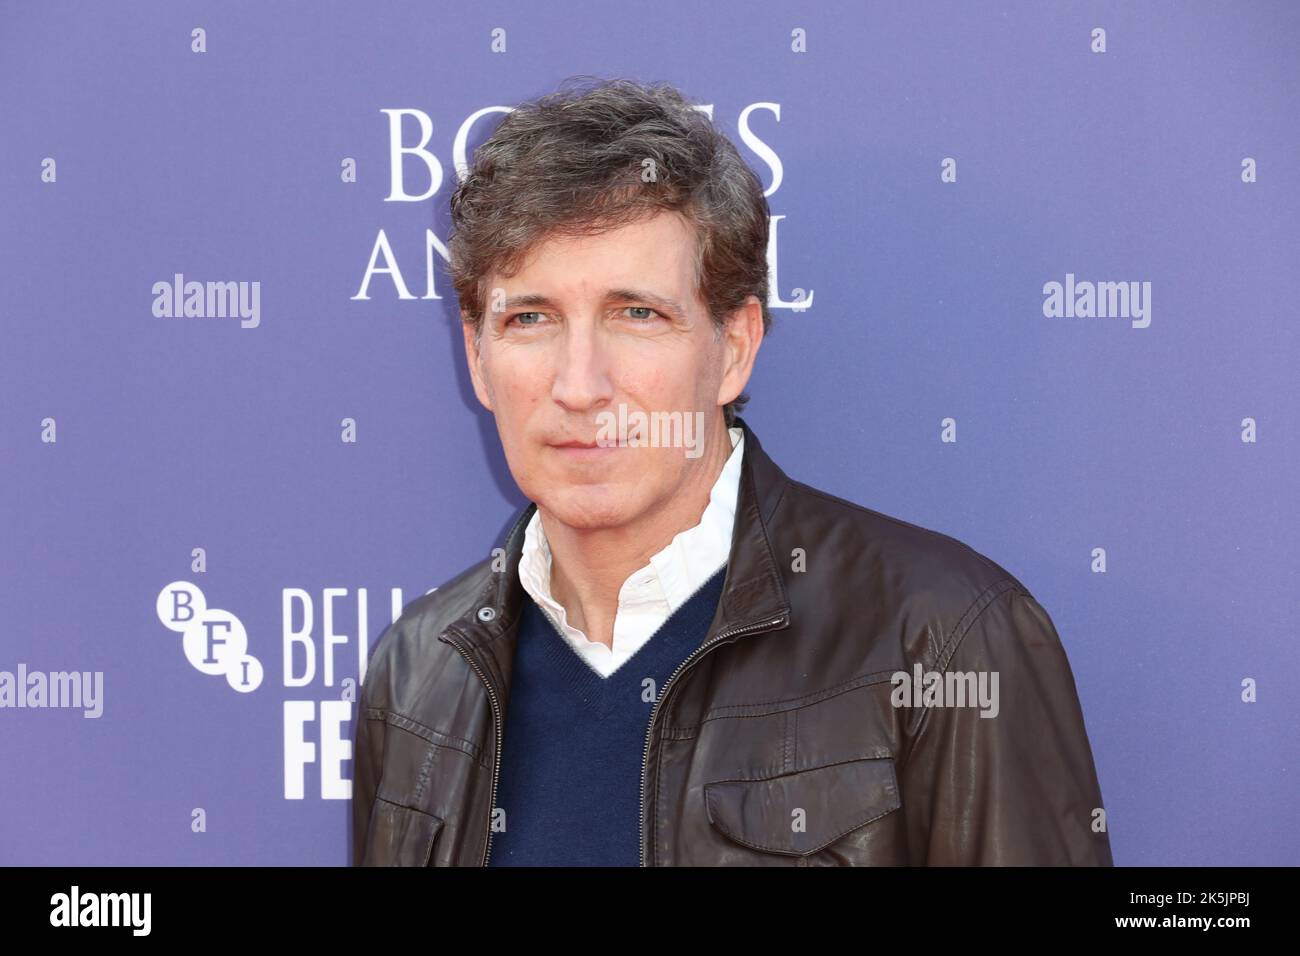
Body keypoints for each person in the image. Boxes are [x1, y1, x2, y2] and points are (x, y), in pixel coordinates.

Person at [351, 76, 1113, 866]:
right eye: (530, 319)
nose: (579, 385)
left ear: (734, 348)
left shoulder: (945, 640)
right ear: (476, 357)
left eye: (637, 314)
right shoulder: (416, 674)